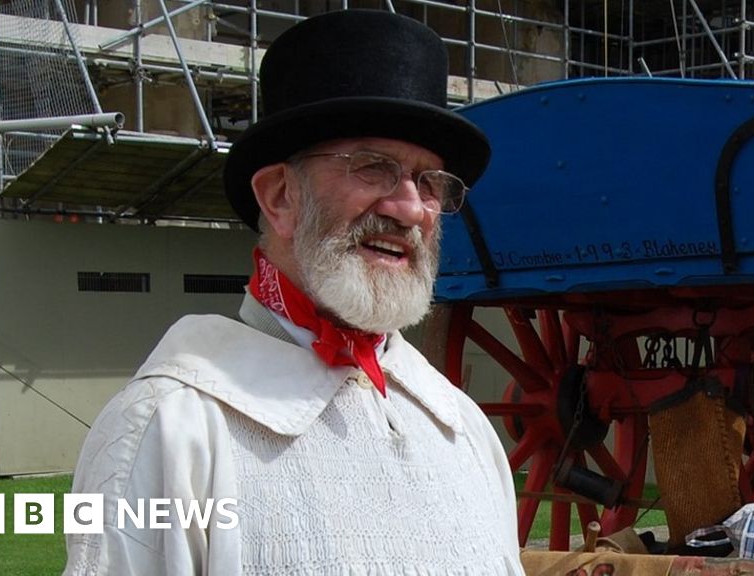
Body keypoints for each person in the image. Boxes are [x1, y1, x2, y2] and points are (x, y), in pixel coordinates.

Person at [64, 9, 523, 575]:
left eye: (428, 182)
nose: (408, 208)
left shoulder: (465, 429)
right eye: (373, 167)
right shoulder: (169, 429)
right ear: (280, 195)